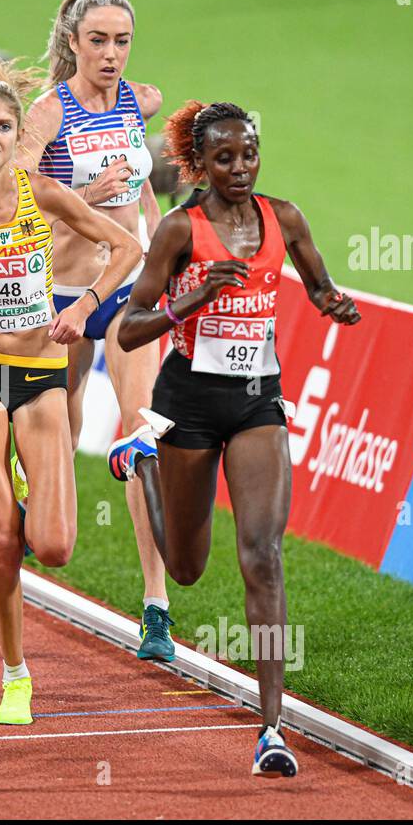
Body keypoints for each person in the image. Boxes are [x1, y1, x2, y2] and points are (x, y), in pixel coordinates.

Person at [115, 100, 361, 776]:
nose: (240, 168)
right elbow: (131, 328)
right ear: (201, 162)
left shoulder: (284, 218)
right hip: (187, 402)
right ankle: (143, 465)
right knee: (188, 569)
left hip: (257, 402)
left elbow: (318, 284)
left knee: (263, 554)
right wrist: (187, 302)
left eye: (248, 154)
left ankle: (271, 729)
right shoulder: (178, 231)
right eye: (224, 157)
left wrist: (334, 304)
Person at [0, 31, 143, 725]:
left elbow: (127, 244)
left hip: (39, 371)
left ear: (16, 134)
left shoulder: (45, 192)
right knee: (2, 538)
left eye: (3, 125)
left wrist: (85, 305)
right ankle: (15, 675)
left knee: (52, 546)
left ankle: (29, 480)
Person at [16, 0, 175, 662]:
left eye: (123, 41)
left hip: (131, 288)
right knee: (67, 421)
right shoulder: (50, 111)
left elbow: (141, 189)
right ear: (73, 42)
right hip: (62, 295)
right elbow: (13, 179)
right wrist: (84, 189)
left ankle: (156, 605)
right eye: (100, 41)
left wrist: (166, 242)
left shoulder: (140, 102)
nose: (113, 55)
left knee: (144, 432)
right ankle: (38, 508)